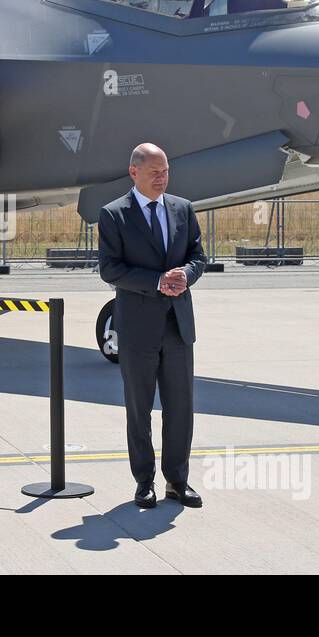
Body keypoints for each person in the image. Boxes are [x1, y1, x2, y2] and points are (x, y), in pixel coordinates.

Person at [97, 143, 207, 509]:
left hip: (177, 326)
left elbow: (197, 257)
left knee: (181, 408)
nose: (162, 179)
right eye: (154, 173)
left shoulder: (182, 208)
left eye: (166, 172)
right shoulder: (114, 215)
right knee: (139, 409)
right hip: (138, 329)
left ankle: (177, 481)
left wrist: (186, 275)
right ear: (134, 173)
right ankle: (144, 482)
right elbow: (110, 269)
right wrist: (157, 281)